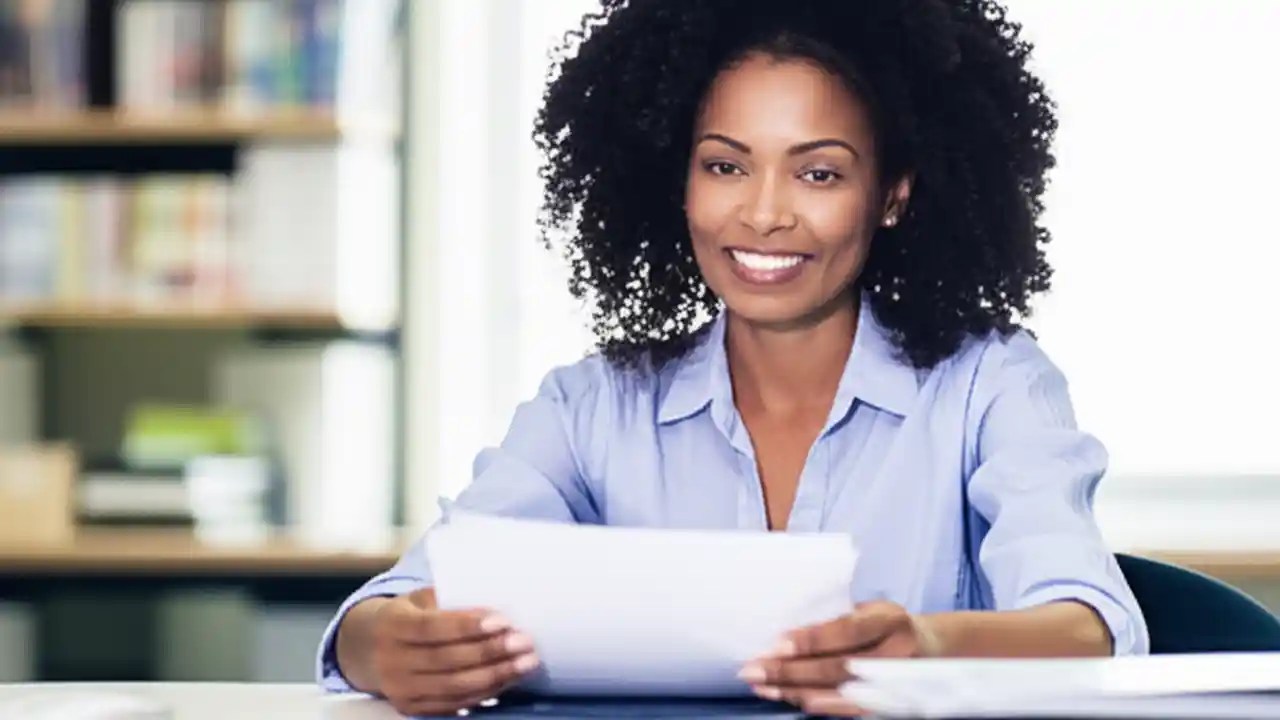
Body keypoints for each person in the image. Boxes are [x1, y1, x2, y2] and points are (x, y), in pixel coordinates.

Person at [317, 0, 1149, 716]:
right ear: (676, 181)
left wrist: (925, 645)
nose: (762, 214)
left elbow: (1091, 627)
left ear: (892, 194)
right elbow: (392, 606)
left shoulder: (990, 386)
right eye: (725, 165)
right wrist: (384, 645)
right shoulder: (594, 409)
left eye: (818, 174)